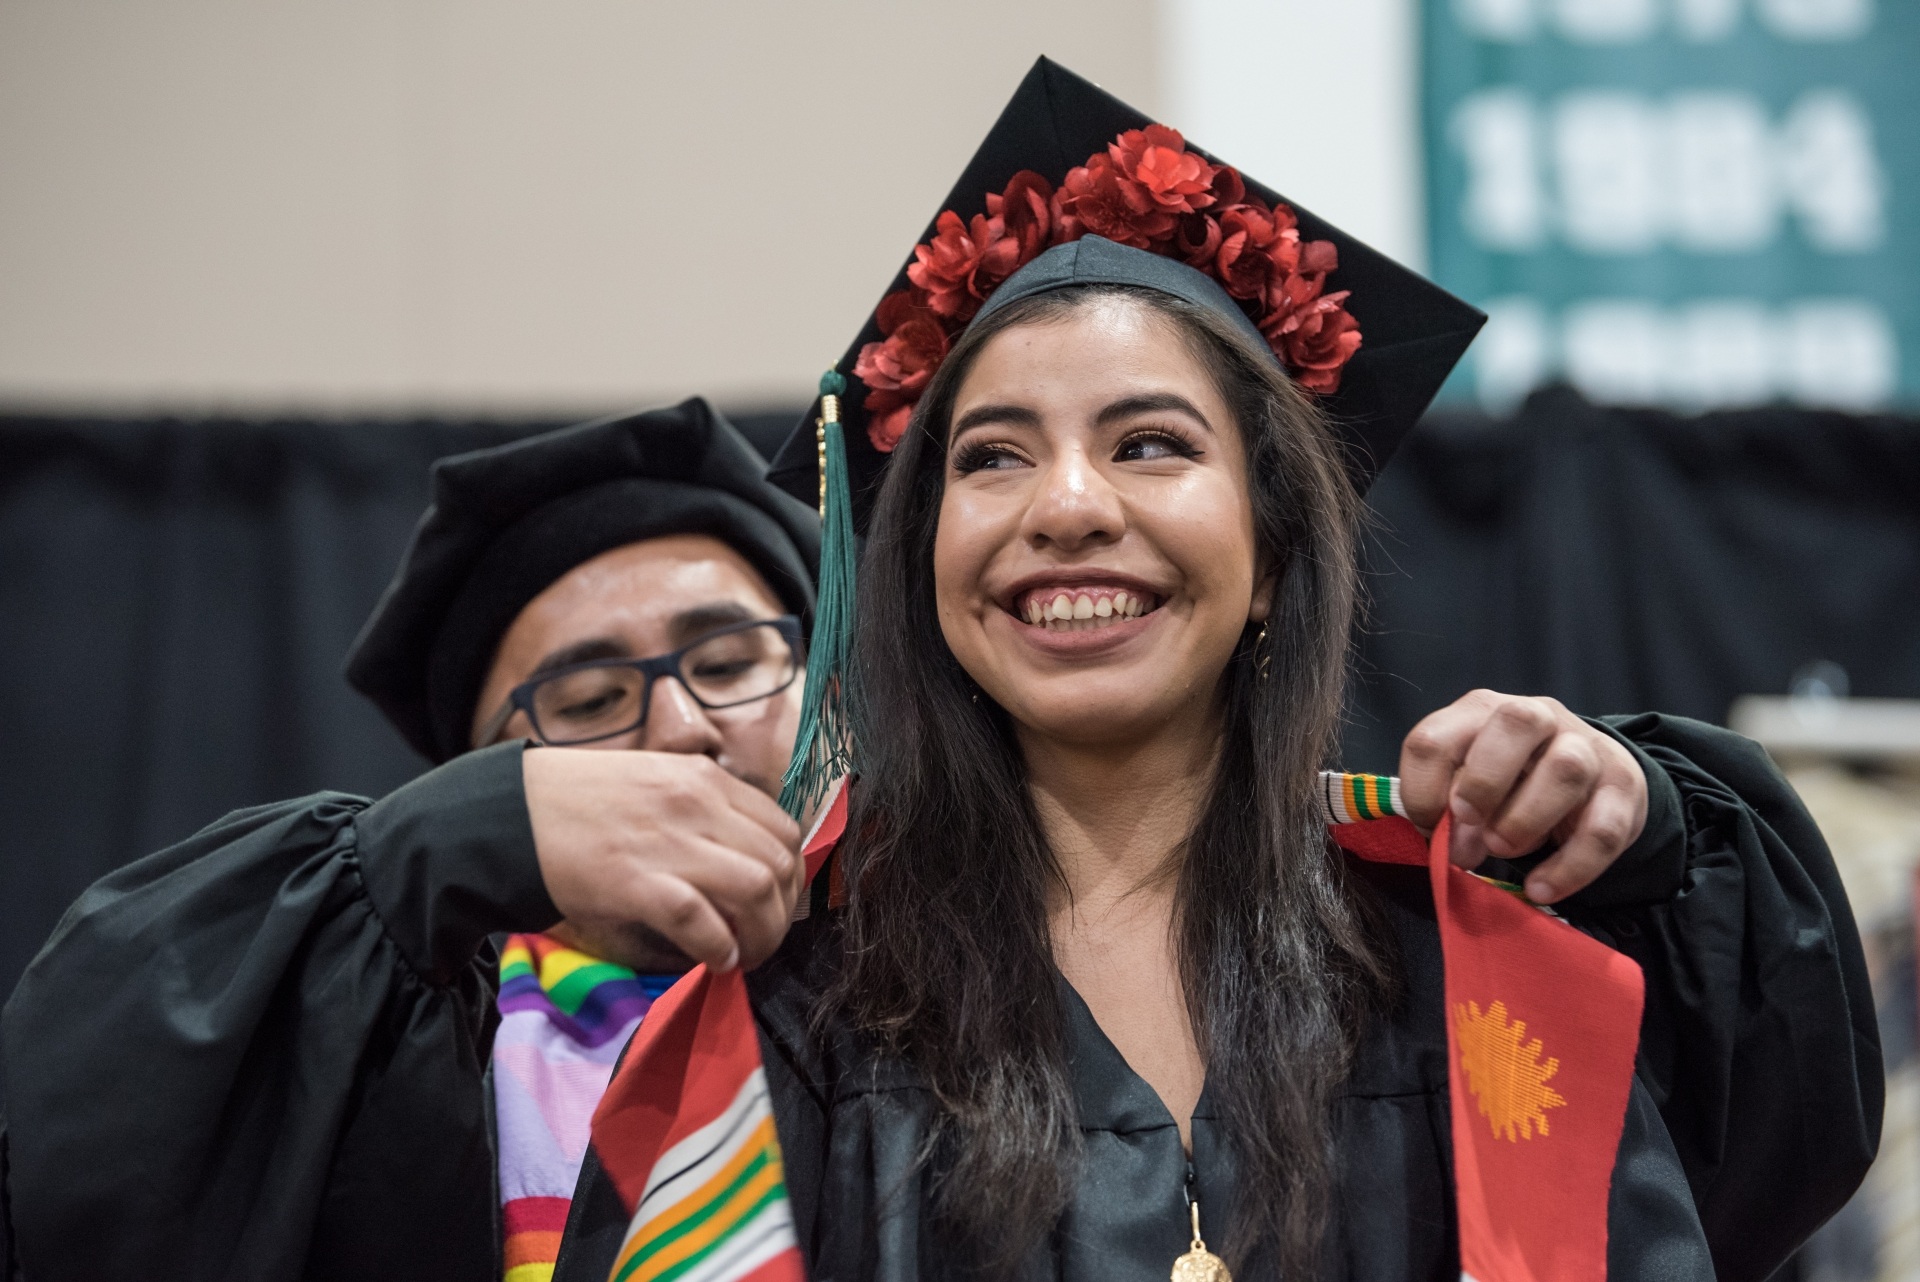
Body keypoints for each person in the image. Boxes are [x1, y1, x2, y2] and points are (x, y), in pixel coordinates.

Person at [554, 60, 1880, 1282]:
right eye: (994, 454)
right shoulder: (793, 1010)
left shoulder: (1466, 957)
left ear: (1271, 545)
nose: (1065, 505)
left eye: (1148, 444)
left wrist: (1651, 825)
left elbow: (1769, 1136)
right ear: (923, 562)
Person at [0, 399, 820, 1281]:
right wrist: (418, 858)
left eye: (731, 663)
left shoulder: (947, 980)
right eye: (589, 702)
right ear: (494, 778)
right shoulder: (416, 1057)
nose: (680, 728)